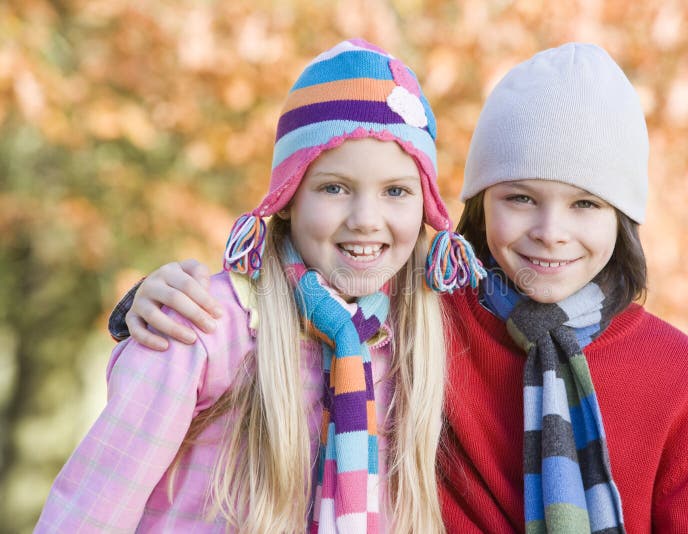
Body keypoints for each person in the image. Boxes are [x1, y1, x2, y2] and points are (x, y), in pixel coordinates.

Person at [107, 43, 688, 533]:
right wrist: (152, 299)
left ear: (623, 219)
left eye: (586, 204)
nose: (550, 232)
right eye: (520, 198)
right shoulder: (421, 313)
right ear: (476, 204)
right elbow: (295, 287)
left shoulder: (682, 379)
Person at [35, 39, 484, 533]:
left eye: (396, 191)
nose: (365, 219)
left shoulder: (416, 337)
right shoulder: (204, 323)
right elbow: (93, 504)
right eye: (334, 188)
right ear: (287, 199)